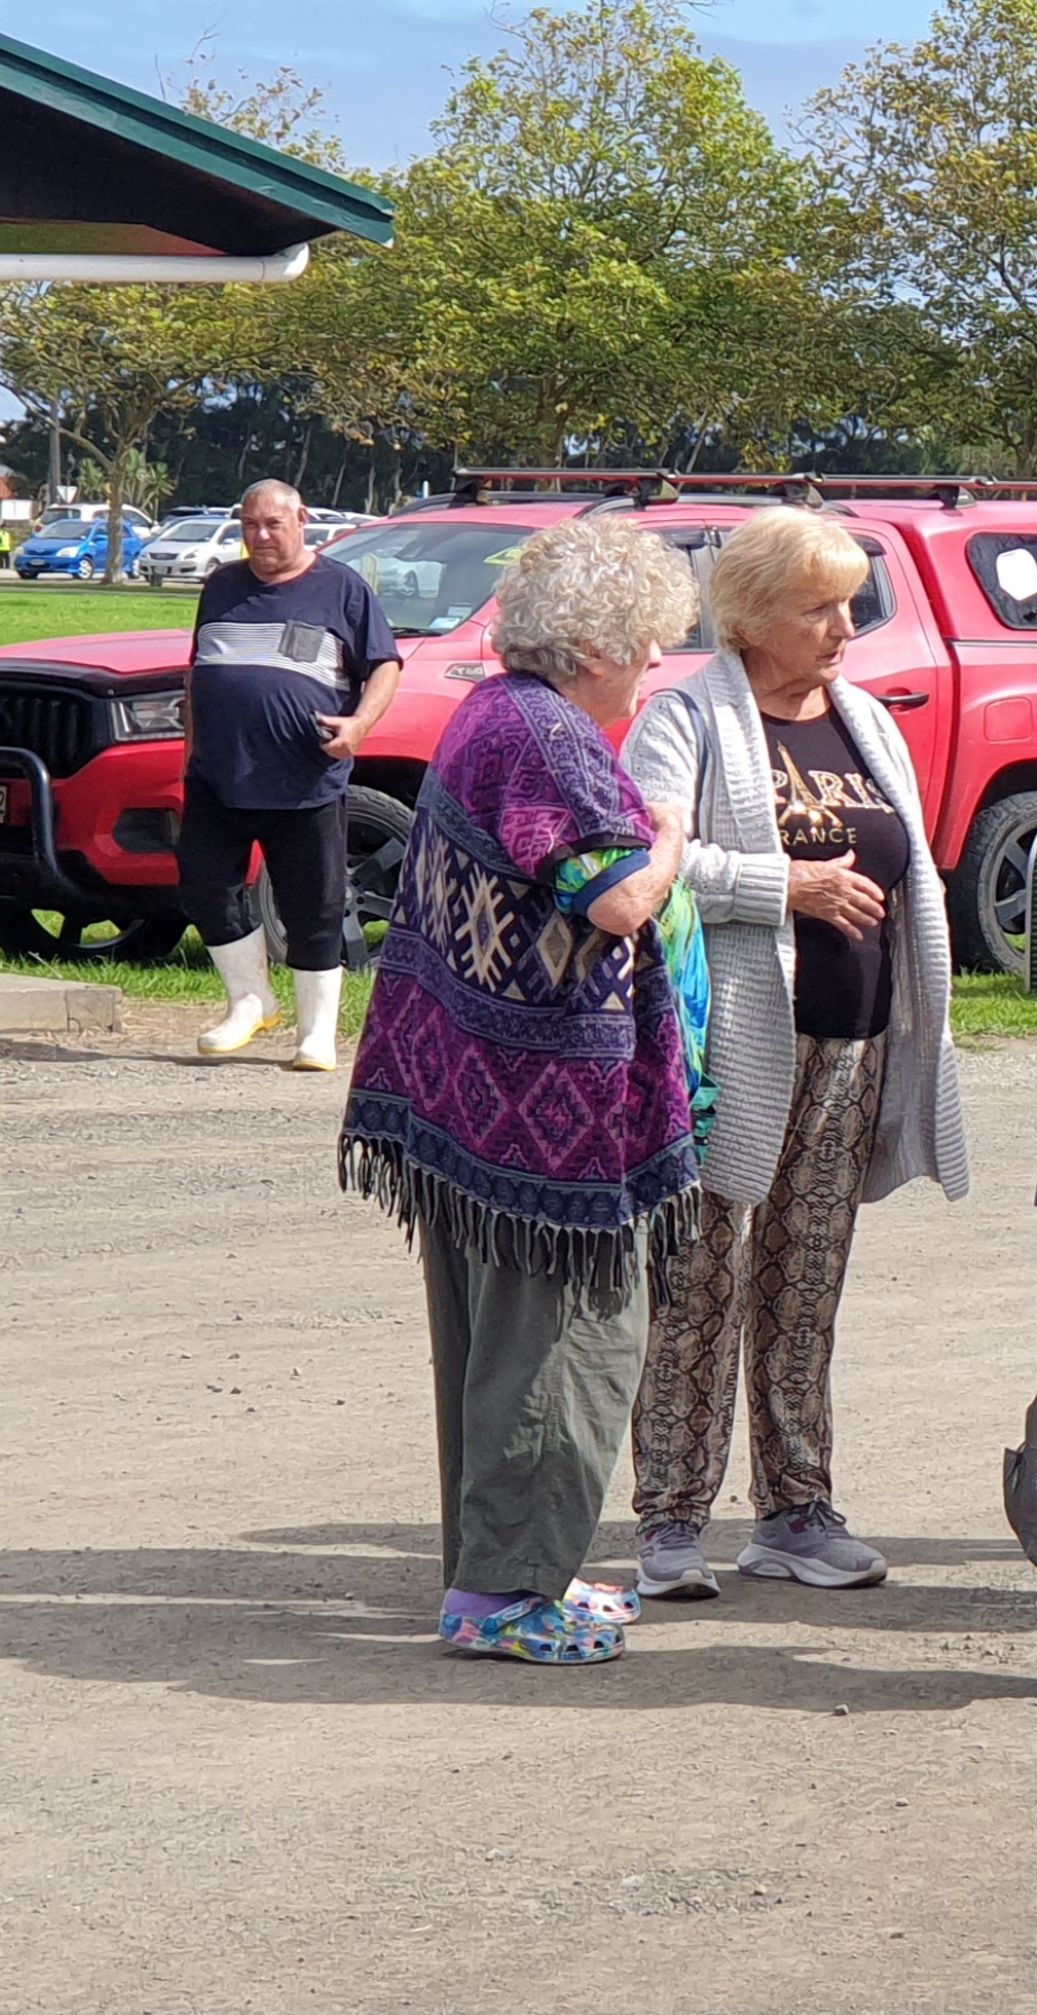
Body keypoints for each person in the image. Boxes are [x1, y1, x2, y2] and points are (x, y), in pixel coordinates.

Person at [336, 517, 704, 1666]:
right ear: (592, 645)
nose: (658, 663)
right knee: (566, 1348)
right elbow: (616, 898)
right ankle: (503, 1597)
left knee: (497, 1348)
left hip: (471, 1099)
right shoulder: (549, 735)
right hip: (545, 1126)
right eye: (647, 642)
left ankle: (505, 1568)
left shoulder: (494, 711)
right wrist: (673, 834)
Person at [620, 509, 971, 1601]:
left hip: (851, 1047)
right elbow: (650, 859)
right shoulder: (687, 717)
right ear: (753, 613)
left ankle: (794, 1509)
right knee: (700, 1280)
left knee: (805, 1283)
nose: (845, 627)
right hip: (729, 1050)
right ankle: (671, 1515)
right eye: (820, 607)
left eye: (850, 603)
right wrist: (789, 886)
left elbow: (907, 866)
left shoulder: (865, 719)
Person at [184, 479, 403, 1069]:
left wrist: (359, 725)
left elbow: (384, 665)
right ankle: (250, 1001)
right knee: (205, 888)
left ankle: (315, 1033)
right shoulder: (221, 586)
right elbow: (200, 668)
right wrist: (191, 751)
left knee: (315, 906)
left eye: (272, 525)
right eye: (249, 525)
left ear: (301, 520)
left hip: (304, 779)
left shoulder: (343, 588)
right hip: (218, 775)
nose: (259, 536)